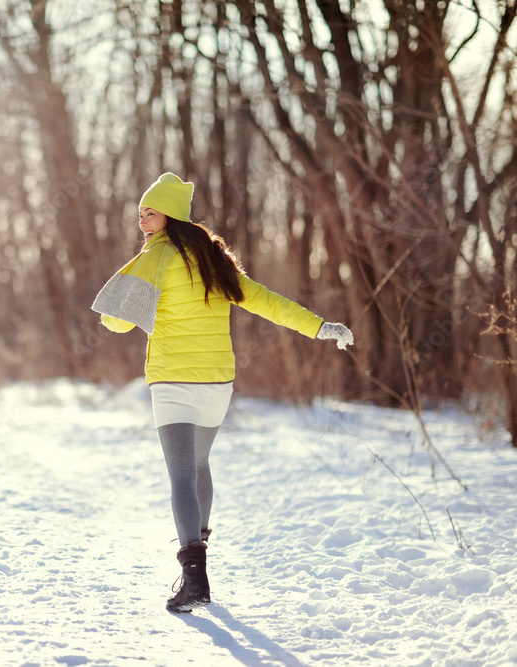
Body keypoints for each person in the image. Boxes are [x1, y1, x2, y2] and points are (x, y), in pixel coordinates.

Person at [91, 173, 353, 614]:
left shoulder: (156, 256)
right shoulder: (215, 260)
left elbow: (115, 321)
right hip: (217, 383)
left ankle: (194, 577)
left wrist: (125, 305)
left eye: (149, 212)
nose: (142, 221)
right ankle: (200, 551)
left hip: (174, 381)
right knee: (198, 465)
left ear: (169, 214)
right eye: (140, 213)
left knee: (181, 478)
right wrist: (319, 326)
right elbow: (265, 300)